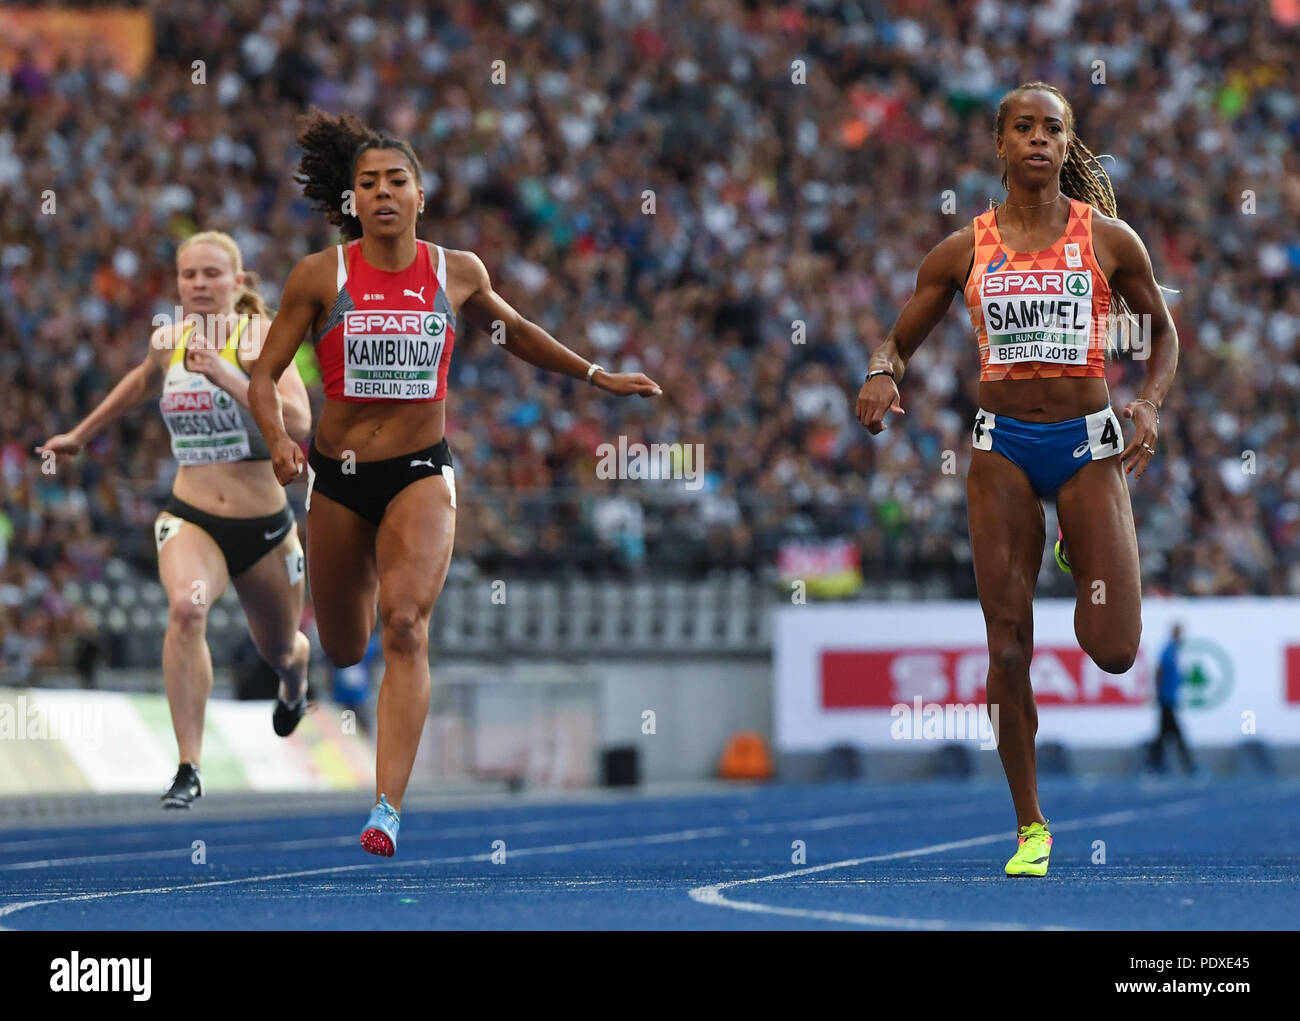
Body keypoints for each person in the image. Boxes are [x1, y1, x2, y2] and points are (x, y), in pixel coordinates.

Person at [247, 110, 662, 856]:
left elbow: (518, 332)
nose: (382, 193)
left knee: (406, 625)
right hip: (338, 480)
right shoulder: (321, 275)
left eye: (395, 181)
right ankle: (316, 653)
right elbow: (263, 372)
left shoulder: (455, 270)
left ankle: (386, 809)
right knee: (345, 647)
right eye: (367, 183)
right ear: (351, 201)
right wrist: (278, 437)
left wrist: (596, 375)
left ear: (420, 195)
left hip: (420, 473)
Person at [855, 82, 1179, 876]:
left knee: (1113, 649)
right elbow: (897, 341)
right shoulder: (963, 249)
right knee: (1007, 647)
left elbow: (1162, 333)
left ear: (1069, 147)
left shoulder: (1108, 240)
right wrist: (880, 374)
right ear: (1000, 145)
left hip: (1087, 446)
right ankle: (1031, 824)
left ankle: (1075, 540)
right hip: (1002, 449)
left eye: (1053, 129)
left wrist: (1149, 402)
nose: (1038, 139)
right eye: (1024, 128)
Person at [37, 231, 314, 808]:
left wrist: (226, 375)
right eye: (189, 275)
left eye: (212, 274)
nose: (198, 285)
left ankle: (294, 684)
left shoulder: (261, 336)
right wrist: (80, 436)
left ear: (236, 283)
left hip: (263, 528)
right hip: (191, 517)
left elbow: (299, 420)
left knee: (281, 649)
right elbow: (143, 379)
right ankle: (189, 764)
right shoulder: (170, 339)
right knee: (187, 609)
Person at [1148, 623, 1196, 774]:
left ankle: (1154, 765)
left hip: (1168, 698)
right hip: (1166, 699)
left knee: (1162, 736)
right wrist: (1159, 693)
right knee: (1176, 735)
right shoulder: (1169, 650)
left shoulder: (1173, 650)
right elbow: (1159, 671)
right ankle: (1189, 767)